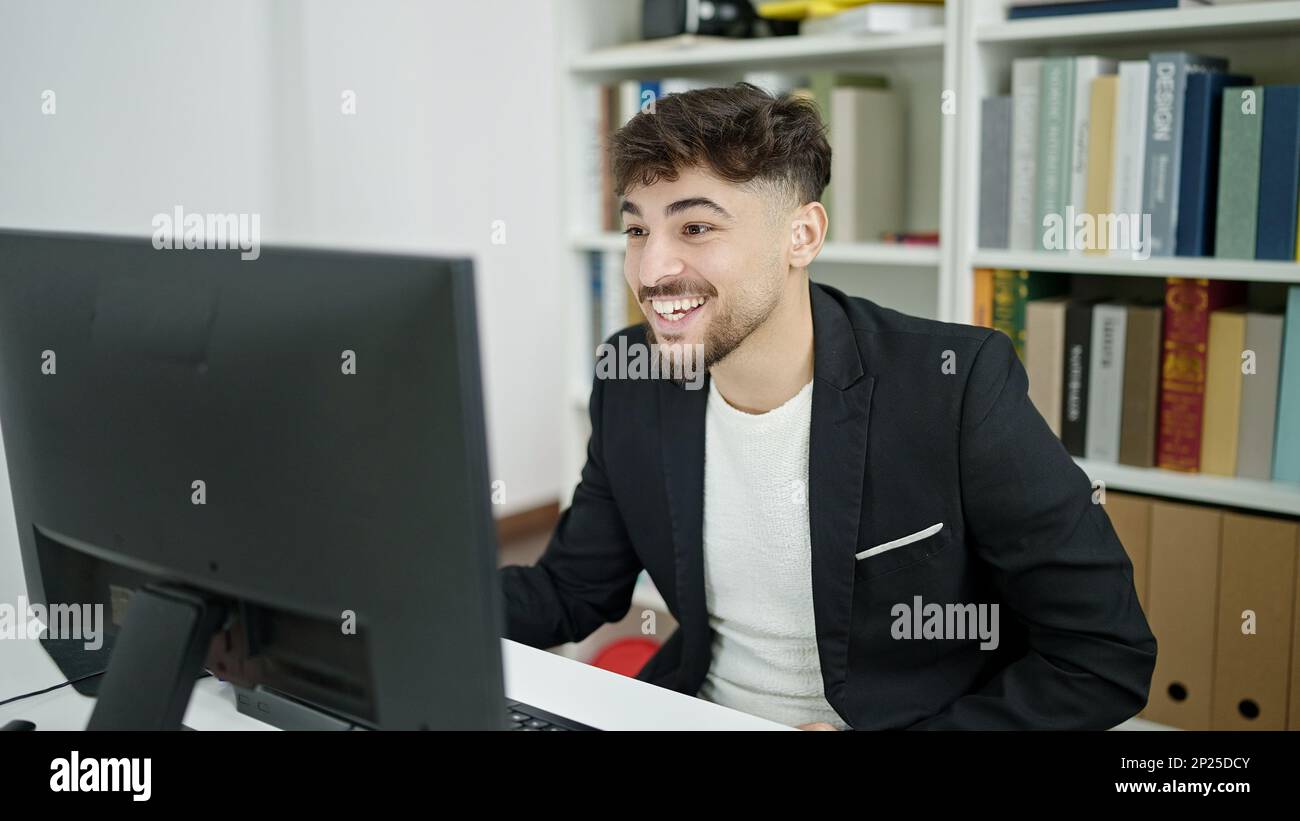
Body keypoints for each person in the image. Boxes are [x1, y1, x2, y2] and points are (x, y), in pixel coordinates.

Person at [500, 82, 1156, 730]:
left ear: (802, 236)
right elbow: (572, 590)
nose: (650, 269)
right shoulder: (633, 378)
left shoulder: (952, 388)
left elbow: (1103, 654)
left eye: (695, 226)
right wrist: (411, 601)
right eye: (638, 229)